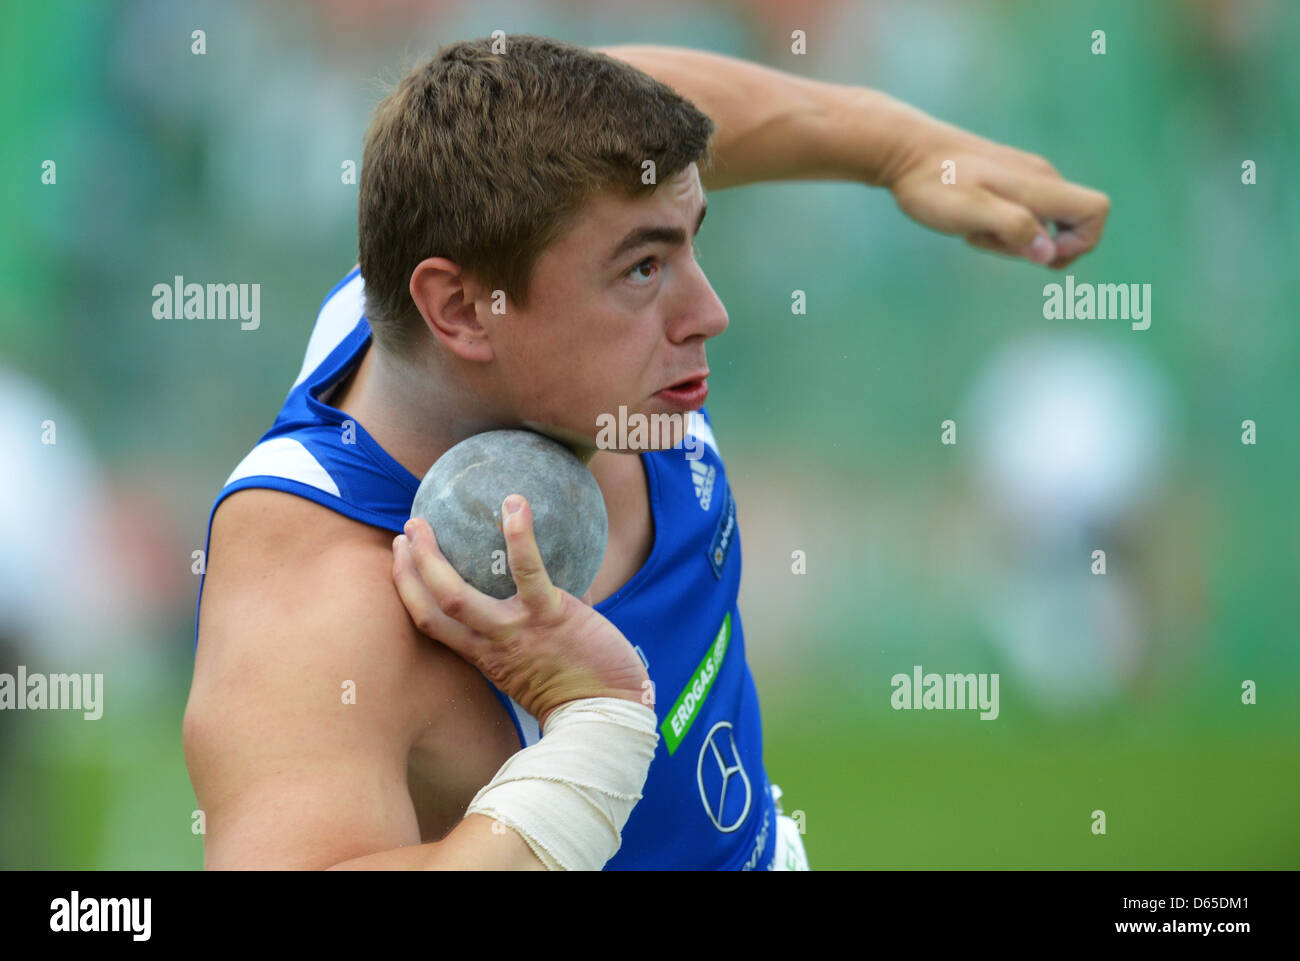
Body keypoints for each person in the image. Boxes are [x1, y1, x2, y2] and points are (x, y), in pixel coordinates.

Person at [184, 35, 1109, 870]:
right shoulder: (325, 601)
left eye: (689, 244)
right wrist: (596, 728)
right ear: (462, 310)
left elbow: (666, 109)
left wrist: (894, 149)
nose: (710, 314)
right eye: (642, 269)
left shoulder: (515, 208)